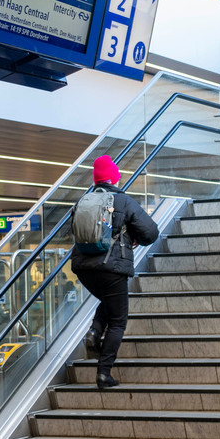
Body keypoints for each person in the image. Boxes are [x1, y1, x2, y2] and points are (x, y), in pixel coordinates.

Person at [70, 155, 159, 389]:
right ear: (114, 179)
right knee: (118, 321)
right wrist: (133, 237)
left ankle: (94, 331)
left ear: (96, 180)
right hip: (112, 266)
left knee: (109, 302)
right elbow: (151, 232)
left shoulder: (83, 201)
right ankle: (104, 373)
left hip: (83, 267)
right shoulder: (123, 200)